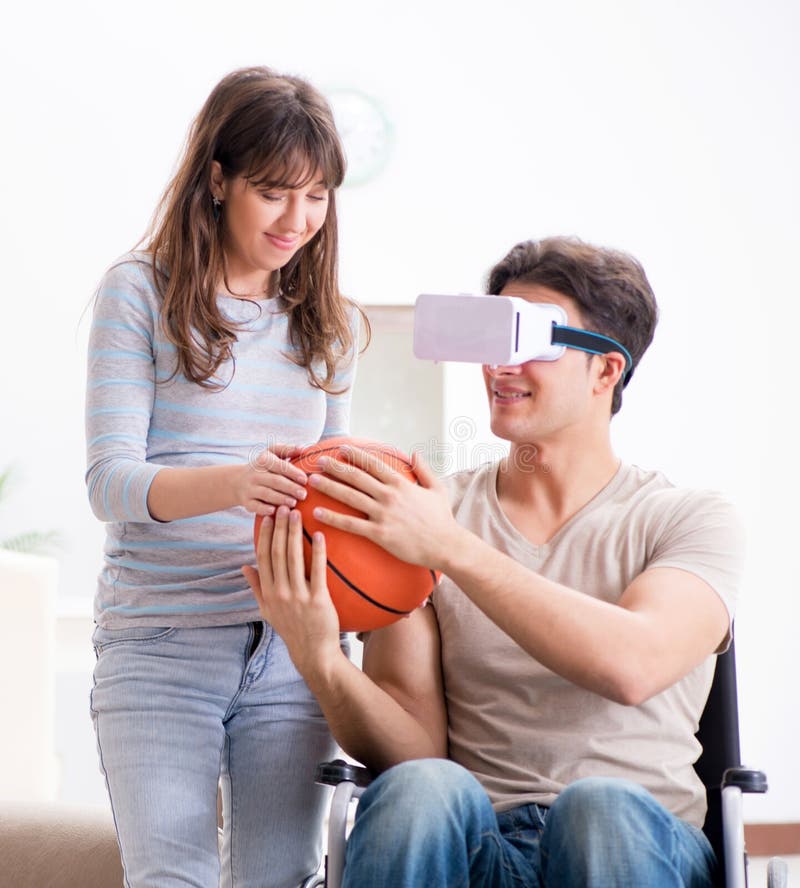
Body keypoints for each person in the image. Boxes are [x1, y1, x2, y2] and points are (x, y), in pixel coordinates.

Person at [244, 236, 745, 887]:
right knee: (419, 789)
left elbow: (633, 666)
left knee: (597, 809)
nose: (500, 366)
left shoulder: (689, 519)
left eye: (531, 340)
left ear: (605, 372)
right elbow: (414, 750)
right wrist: (320, 657)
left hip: (637, 846)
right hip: (483, 846)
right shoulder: (426, 513)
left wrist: (451, 548)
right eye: (495, 339)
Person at [85, 66, 365, 888]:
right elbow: (110, 482)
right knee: (173, 878)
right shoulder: (140, 292)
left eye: (316, 197)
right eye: (273, 193)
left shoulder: (329, 323)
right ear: (217, 179)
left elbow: (328, 490)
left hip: (290, 650)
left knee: (283, 880)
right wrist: (235, 483)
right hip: (159, 641)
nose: (297, 220)